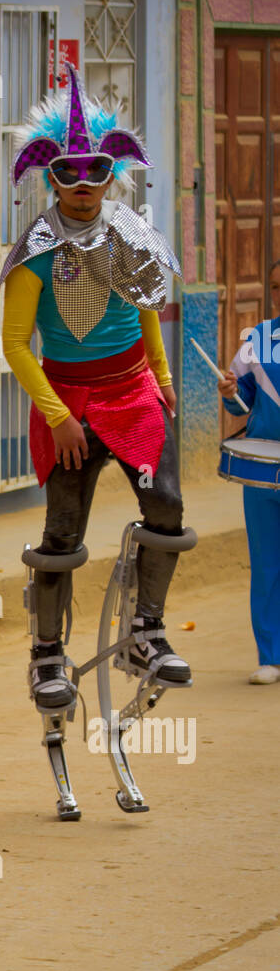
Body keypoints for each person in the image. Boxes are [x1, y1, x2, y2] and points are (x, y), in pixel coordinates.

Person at [0, 63, 191, 709]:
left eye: (96, 172)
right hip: (70, 404)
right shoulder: (36, 249)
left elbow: (145, 309)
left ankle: (147, 630)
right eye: (67, 173)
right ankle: (46, 654)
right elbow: (14, 345)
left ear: (113, 173)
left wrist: (162, 378)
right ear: (49, 176)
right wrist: (56, 416)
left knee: (165, 505)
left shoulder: (132, 233)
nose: (83, 186)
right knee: (61, 533)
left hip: (133, 392)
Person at [219, 258, 280, 683]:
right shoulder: (257, 342)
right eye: (276, 286)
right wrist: (228, 391)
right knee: (266, 563)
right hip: (262, 467)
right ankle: (271, 656)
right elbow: (239, 401)